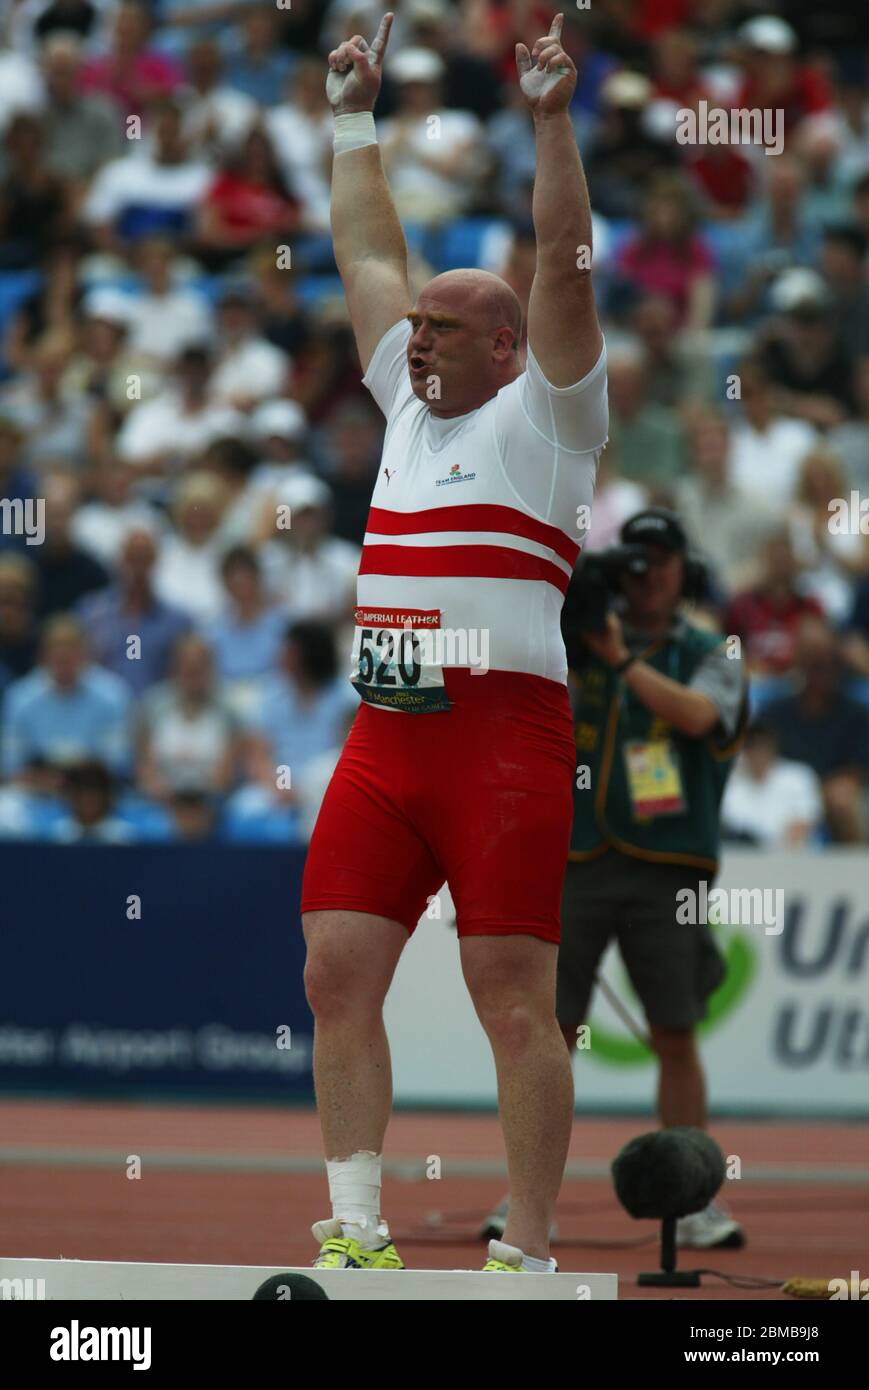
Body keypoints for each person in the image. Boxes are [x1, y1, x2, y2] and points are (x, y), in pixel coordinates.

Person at [302, 12, 607, 1276]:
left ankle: (524, 1248)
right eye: (411, 323)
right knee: (334, 971)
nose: (411, 333)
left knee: (511, 1001)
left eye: (440, 323)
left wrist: (548, 123)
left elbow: (564, 260)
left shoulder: (549, 420)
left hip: (503, 740)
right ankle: (357, 1226)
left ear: (504, 344)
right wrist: (351, 117)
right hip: (388, 730)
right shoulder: (404, 411)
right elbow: (367, 246)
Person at [555, 508, 747, 1249]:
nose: (649, 573)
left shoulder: (709, 650)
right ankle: (526, 1195)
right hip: (575, 860)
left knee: (674, 1031)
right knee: (550, 1032)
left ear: (683, 571)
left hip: (667, 867)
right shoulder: (575, 648)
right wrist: (583, 638)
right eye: (635, 561)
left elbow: (701, 717)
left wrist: (620, 660)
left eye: (663, 560)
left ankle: (693, 1198)